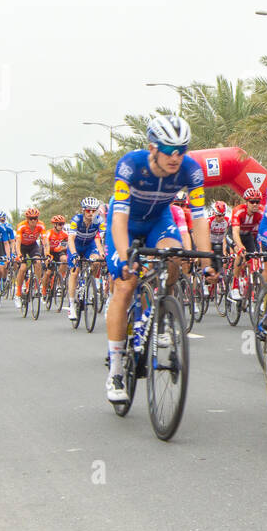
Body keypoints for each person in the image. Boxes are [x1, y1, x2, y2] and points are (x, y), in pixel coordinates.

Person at [105, 114, 213, 402]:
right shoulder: (131, 164)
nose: (176, 157)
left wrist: (207, 265)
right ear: (153, 147)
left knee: (174, 257)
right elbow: (119, 217)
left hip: (157, 221)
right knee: (126, 286)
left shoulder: (191, 170)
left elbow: (200, 219)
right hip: (125, 222)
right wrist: (128, 257)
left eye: (182, 150)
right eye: (169, 150)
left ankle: (161, 312)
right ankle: (116, 369)